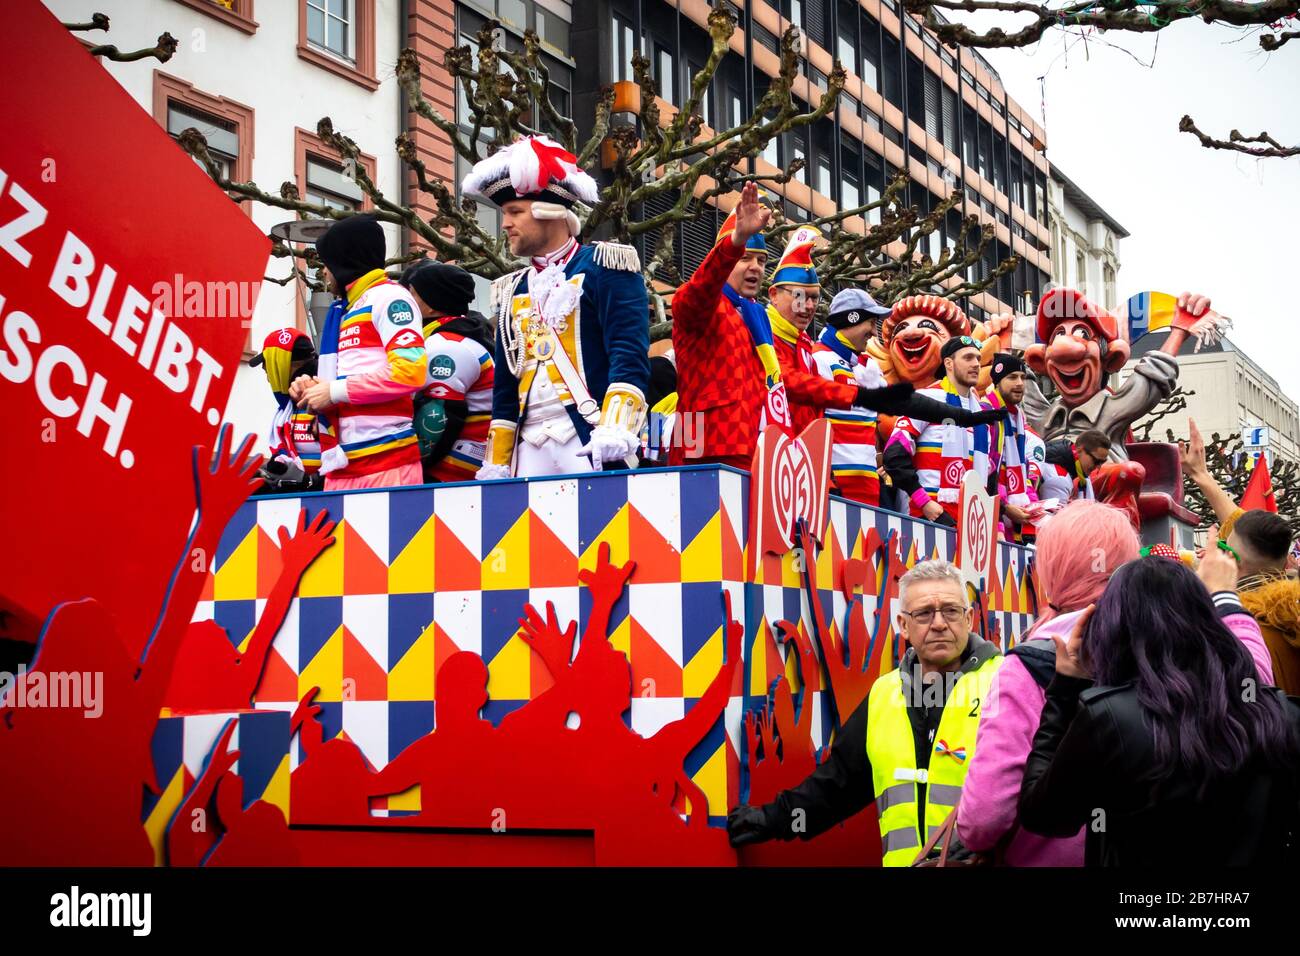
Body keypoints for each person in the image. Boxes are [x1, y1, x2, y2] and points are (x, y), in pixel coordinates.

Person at [958, 501, 1277, 865]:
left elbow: (984, 817)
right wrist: (1224, 598)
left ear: (1048, 569)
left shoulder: (1026, 667)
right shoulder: (1174, 648)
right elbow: (1255, 688)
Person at [1018, 550, 1300, 866]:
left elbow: (1044, 816)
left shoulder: (1109, 718)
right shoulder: (1282, 714)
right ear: (1209, 620)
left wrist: (1064, 692)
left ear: (1112, 630)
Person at [726, 560, 1003, 865]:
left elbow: (1036, 786)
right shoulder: (884, 694)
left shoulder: (1004, 683)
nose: (939, 623)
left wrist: (986, 842)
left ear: (970, 618)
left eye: (950, 611)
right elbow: (837, 785)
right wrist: (773, 819)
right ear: (904, 625)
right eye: (924, 613)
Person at [668, 184, 913, 468]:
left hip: (757, 451)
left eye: (761, 260)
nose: (755, 268)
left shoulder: (754, 315)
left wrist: (861, 395)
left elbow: (783, 381)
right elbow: (701, 287)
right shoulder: (700, 301)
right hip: (702, 449)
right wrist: (735, 241)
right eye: (745, 258)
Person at [462, 135, 649, 478]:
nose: (505, 224)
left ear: (548, 212)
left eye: (515, 212)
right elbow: (505, 386)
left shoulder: (605, 265)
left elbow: (628, 352)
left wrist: (616, 428)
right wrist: (497, 461)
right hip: (526, 448)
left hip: (589, 437)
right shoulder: (511, 289)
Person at [290, 215, 427, 490]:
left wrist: (333, 391)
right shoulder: (345, 309)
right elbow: (350, 378)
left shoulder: (389, 297)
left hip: (387, 464)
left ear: (344, 260)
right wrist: (312, 387)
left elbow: (410, 372)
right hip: (341, 465)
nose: (325, 273)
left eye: (327, 263)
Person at [1022, 288, 1227, 458]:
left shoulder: (1112, 409)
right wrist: (1001, 347)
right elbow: (1022, 388)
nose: (1063, 347)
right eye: (1058, 335)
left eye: (1082, 333)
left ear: (1110, 357)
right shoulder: (1048, 418)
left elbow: (1150, 378)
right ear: (1041, 360)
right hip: (1049, 497)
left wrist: (1178, 332)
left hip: (1104, 495)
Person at [1181, 417, 1300, 693]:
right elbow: (1240, 524)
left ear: (1232, 561)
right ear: (1285, 561)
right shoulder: (1292, 614)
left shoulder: (1229, 628)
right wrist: (1201, 475)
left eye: (1224, 546)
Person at [882, 333, 995, 526]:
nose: (976, 364)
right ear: (949, 364)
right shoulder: (927, 398)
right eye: (968, 358)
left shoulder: (982, 417)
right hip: (927, 518)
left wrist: (996, 525)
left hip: (970, 524)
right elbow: (894, 455)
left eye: (978, 358)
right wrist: (924, 503)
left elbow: (989, 475)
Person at [401, 261, 495, 483]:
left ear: (432, 305)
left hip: (449, 477)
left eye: (412, 295)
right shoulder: (450, 336)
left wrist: (408, 473)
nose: (405, 302)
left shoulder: (448, 346)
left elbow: (437, 420)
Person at [249, 327, 325, 493]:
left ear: (281, 366)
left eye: (266, 368)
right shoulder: (286, 410)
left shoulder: (322, 395)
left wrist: (313, 482)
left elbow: (346, 451)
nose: (268, 377)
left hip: (334, 499)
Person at [983, 353, 1041, 543]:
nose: (1020, 383)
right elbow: (982, 471)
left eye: (1023, 378)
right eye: (1012, 377)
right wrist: (1004, 509)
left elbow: (1022, 470)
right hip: (989, 516)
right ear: (998, 381)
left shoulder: (1018, 417)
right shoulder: (984, 412)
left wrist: (1032, 506)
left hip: (1012, 516)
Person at [1042, 427, 1110, 502]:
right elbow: (1058, 514)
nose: (1098, 467)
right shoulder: (1059, 479)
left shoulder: (1078, 467)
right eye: (1096, 461)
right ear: (1079, 450)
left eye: (1103, 462)